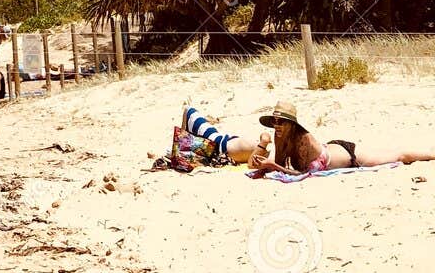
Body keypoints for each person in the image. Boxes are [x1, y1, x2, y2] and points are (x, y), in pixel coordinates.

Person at [185, 101, 435, 173]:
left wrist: (272, 166)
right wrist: (263, 146)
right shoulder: (280, 136)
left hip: (348, 156)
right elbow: (257, 165)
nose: (277, 126)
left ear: (293, 125)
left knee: (401, 155)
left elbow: (307, 174)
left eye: (281, 122)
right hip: (332, 150)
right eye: (274, 122)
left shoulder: (306, 141)